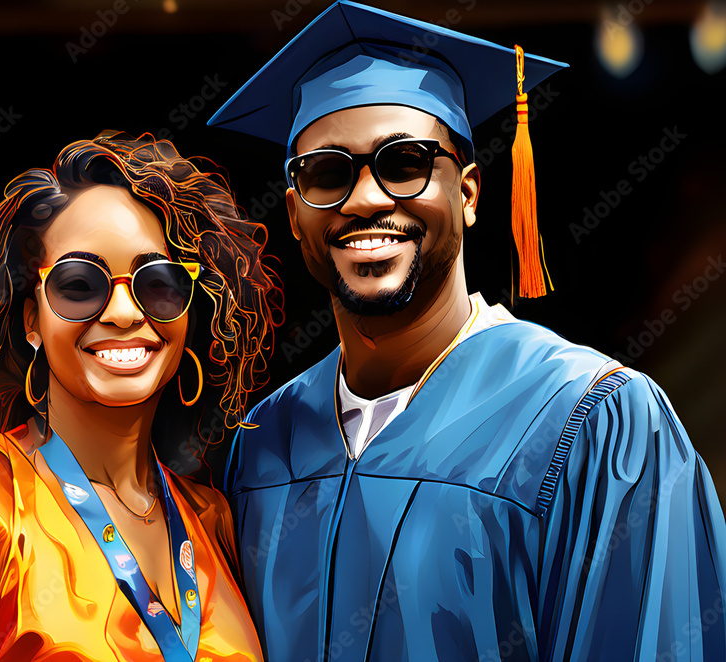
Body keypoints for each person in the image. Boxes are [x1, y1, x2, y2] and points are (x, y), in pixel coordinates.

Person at [208, 2, 726, 661]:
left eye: (405, 164)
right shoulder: (261, 447)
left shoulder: (593, 421)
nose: (365, 199)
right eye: (328, 174)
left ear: (471, 192)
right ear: (293, 212)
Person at [0, 131, 281, 661]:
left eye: (159, 282)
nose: (125, 312)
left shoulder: (213, 520)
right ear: (31, 319)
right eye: (79, 284)